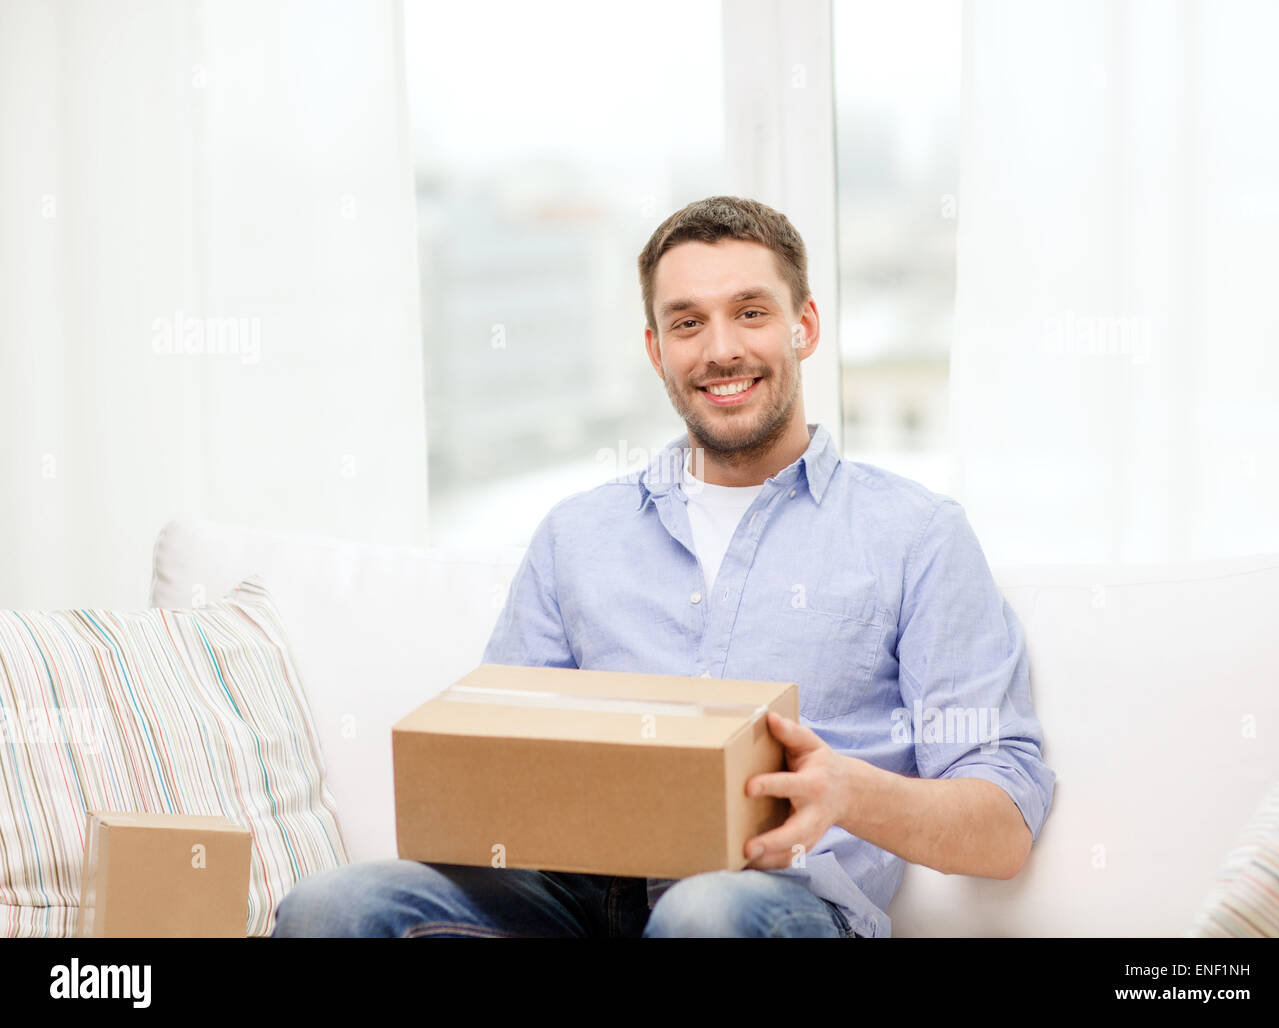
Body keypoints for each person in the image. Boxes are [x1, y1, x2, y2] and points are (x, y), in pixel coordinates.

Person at [271, 195, 1055, 939]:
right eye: (688, 323)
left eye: (751, 313)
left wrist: (850, 790)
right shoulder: (575, 536)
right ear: (655, 349)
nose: (721, 350)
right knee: (334, 906)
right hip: (576, 900)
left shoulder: (916, 535)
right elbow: (501, 762)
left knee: (703, 913)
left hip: (777, 904)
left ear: (803, 326)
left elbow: (1004, 828)